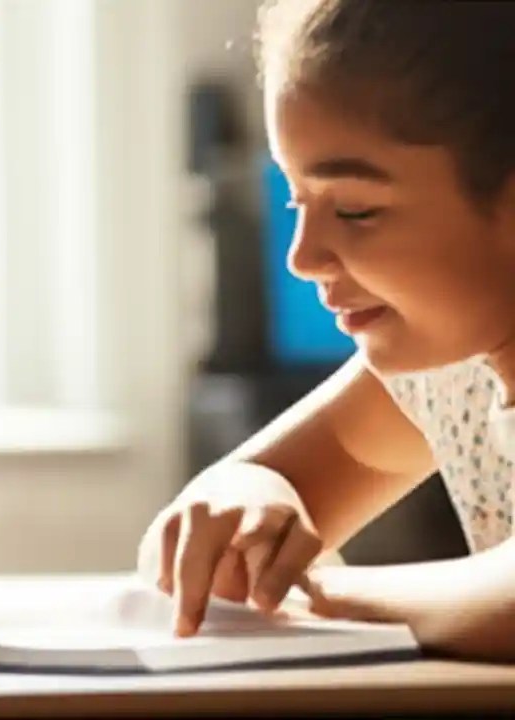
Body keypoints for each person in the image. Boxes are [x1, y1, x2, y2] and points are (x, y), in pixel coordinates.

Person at [137, 0, 515, 662]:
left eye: (355, 209)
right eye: (294, 201)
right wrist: (248, 501)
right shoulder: (449, 377)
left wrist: (317, 599)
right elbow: (203, 523)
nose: (301, 258)